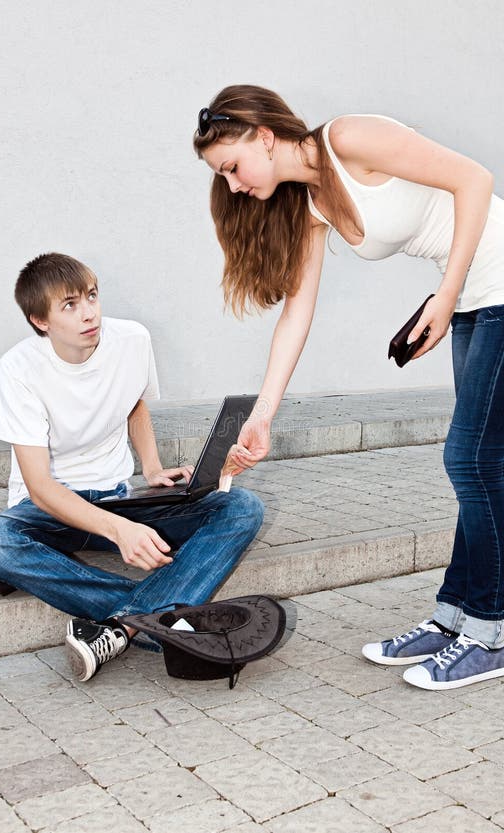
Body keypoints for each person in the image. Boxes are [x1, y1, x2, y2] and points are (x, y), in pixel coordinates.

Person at [194, 84, 504, 691]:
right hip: (474, 300)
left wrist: (444, 295)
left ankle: (490, 630)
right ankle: (453, 619)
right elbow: (296, 315)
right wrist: (262, 416)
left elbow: (475, 180)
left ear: (263, 135)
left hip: (493, 290)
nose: (231, 184)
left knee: (470, 460)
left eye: (231, 167)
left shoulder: (349, 137)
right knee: (480, 465)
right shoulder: (311, 205)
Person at [0, 253, 264, 681]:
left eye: (91, 296)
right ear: (40, 321)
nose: (89, 313)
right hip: (52, 510)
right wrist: (118, 532)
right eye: (69, 305)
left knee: (242, 507)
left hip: (120, 498)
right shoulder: (17, 369)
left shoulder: (132, 340)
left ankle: (126, 623)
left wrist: (152, 468)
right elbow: (40, 488)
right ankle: (167, 616)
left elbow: (134, 403)